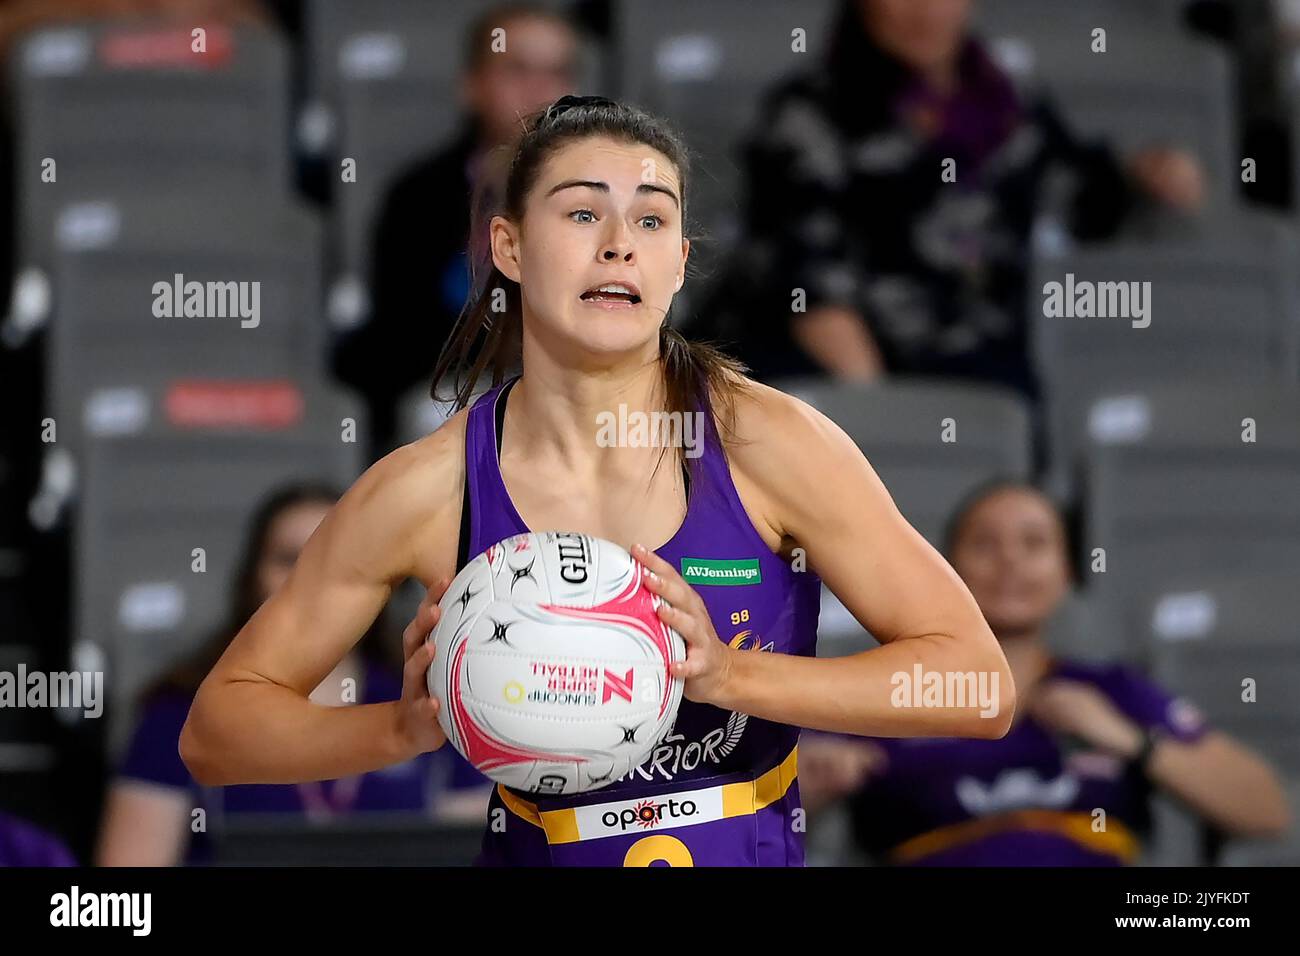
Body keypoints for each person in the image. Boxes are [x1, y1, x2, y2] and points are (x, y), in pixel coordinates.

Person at [180, 94, 1018, 868]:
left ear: (680, 262)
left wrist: (731, 676)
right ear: (507, 246)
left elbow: (977, 686)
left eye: (652, 220)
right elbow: (218, 731)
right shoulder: (428, 487)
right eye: (583, 211)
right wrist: (401, 729)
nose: (619, 242)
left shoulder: (769, 442)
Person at [704, 0, 1205, 400]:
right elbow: (803, 278)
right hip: (841, 365)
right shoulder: (805, 114)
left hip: (977, 362)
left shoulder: (1011, 104)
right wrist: (879, 413)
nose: (926, 10)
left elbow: (1078, 193)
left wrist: (1147, 172)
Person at [800, 480, 1291, 865]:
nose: (1010, 560)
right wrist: (811, 789)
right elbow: (753, 830)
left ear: (1067, 574)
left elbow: (1267, 811)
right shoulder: (887, 697)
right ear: (946, 571)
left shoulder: (1113, 691)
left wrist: (1130, 741)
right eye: (985, 544)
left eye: (1034, 544)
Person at [97, 483, 487, 866]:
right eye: (288, 559)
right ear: (251, 578)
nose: (310, 581)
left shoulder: (431, 696)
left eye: (333, 559)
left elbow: (471, 851)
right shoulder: (180, 712)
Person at [332, 2, 580, 459]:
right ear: (472, 86)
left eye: (556, 72)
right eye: (518, 70)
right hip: (451, 391)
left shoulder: (604, 192)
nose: (540, 90)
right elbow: (401, 330)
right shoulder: (419, 196)